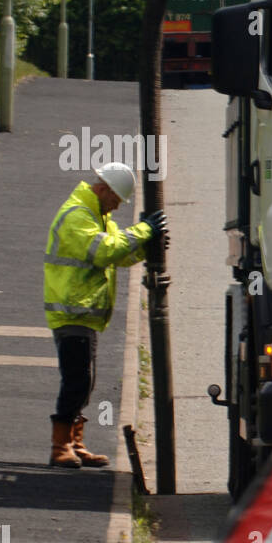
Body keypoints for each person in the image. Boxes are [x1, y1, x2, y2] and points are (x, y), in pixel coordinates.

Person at [43, 162, 167, 469]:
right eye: (115, 200)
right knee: (76, 380)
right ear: (102, 190)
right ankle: (60, 446)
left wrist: (145, 248)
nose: (116, 207)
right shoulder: (77, 216)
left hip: (82, 312)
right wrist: (144, 230)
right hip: (72, 309)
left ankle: (74, 442)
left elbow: (118, 254)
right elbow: (104, 251)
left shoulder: (97, 215)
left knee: (84, 381)